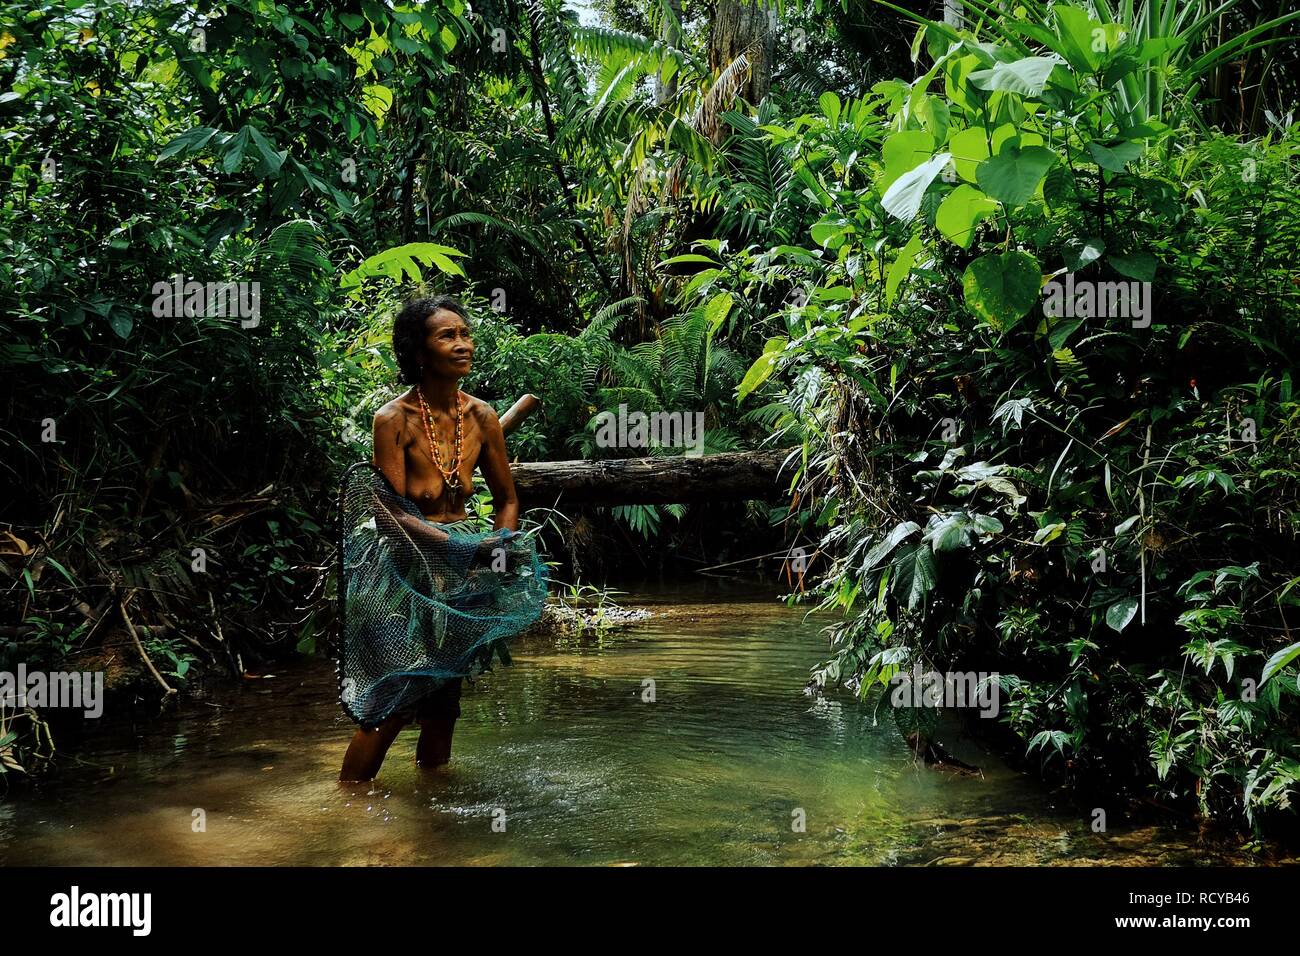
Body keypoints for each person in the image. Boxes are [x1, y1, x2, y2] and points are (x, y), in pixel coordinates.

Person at [339, 295, 531, 782]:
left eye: (465, 334)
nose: (463, 344)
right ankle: (350, 803)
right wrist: (464, 549)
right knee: (395, 702)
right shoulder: (393, 420)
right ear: (418, 352)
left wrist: (500, 548)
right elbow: (392, 515)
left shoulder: (483, 417)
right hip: (408, 572)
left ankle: (434, 808)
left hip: (464, 573)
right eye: (447, 336)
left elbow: (507, 498)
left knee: (444, 703)